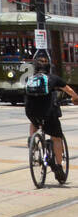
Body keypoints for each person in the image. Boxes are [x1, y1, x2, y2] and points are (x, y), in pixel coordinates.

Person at [24, 52, 78, 183]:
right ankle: (59, 167)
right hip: (48, 114)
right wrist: (75, 98)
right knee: (57, 138)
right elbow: (70, 91)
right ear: (49, 68)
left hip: (31, 112)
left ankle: (33, 142)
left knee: (34, 122)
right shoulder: (53, 79)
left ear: (35, 68)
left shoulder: (29, 79)